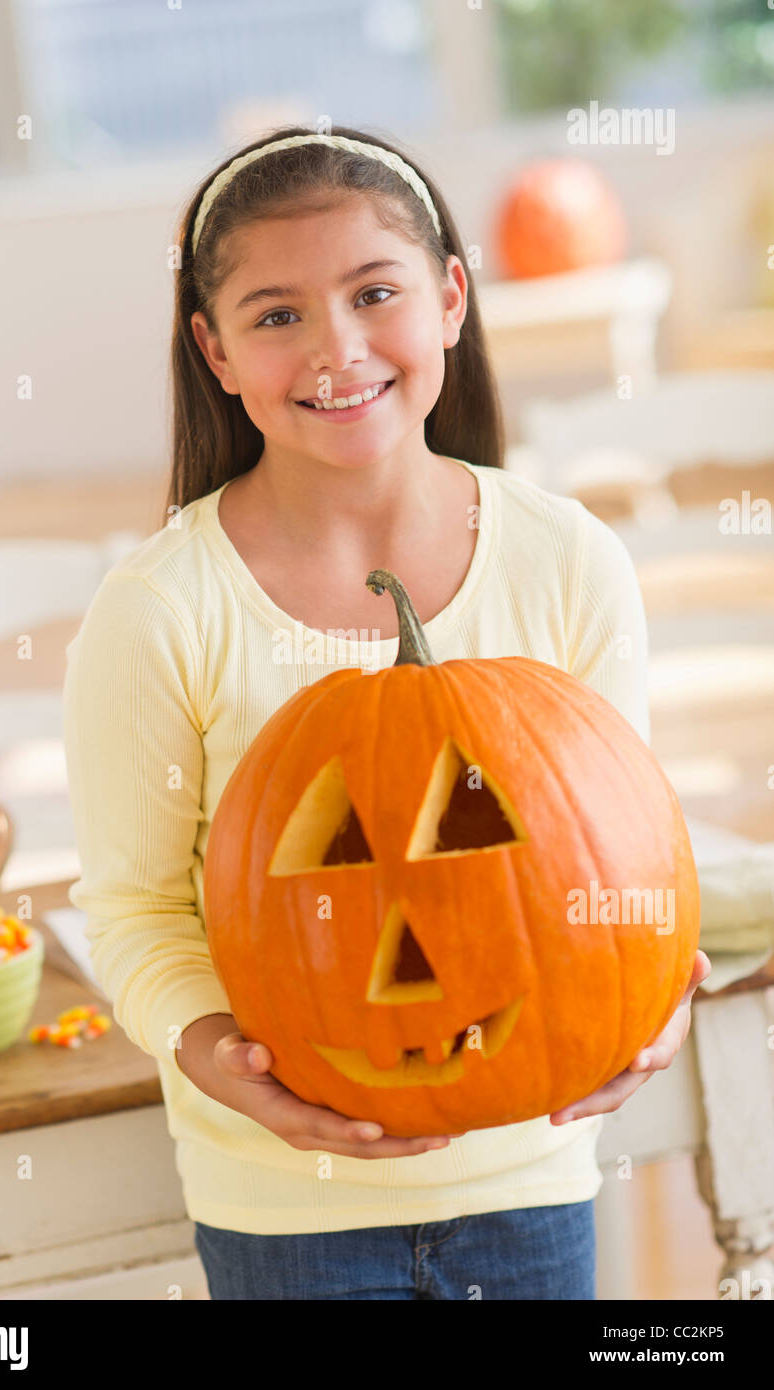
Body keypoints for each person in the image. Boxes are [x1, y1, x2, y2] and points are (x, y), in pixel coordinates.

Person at [62, 124, 710, 1300]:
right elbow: (134, 907)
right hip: (283, 1209)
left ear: (452, 299)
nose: (337, 349)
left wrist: (653, 991)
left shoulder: (569, 562)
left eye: (375, 293)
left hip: (532, 1180)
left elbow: (624, 852)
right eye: (276, 315)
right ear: (214, 350)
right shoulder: (159, 609)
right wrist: (218, 1055)